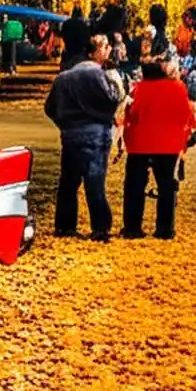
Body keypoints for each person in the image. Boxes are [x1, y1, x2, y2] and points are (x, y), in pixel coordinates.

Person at [44, 34, 121, 241]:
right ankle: (100, 227)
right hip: (96, 134)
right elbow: (113, 98)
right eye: (104, 47)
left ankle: (65, 226)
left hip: (70, 135)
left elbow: (50, 108)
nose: (108, 50)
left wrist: (65, 123)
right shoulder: (99, 75)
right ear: (92, 53)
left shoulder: (63, 78)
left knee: (68, 182)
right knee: (94, 181)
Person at [121, 55, 196, 239]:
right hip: (168, 144)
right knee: (167, 186)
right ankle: (165, 229)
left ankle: (132, 228)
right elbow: (185, 114)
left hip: (140, 143)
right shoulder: (178, 88)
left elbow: (131, 113)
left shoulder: (138, 88)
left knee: (134, 185)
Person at [60, 6, 90, 71]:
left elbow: (62, 34)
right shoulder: (83, 24)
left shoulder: (66, 23)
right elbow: (87, 37)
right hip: (80, 51)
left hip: (69, 50)